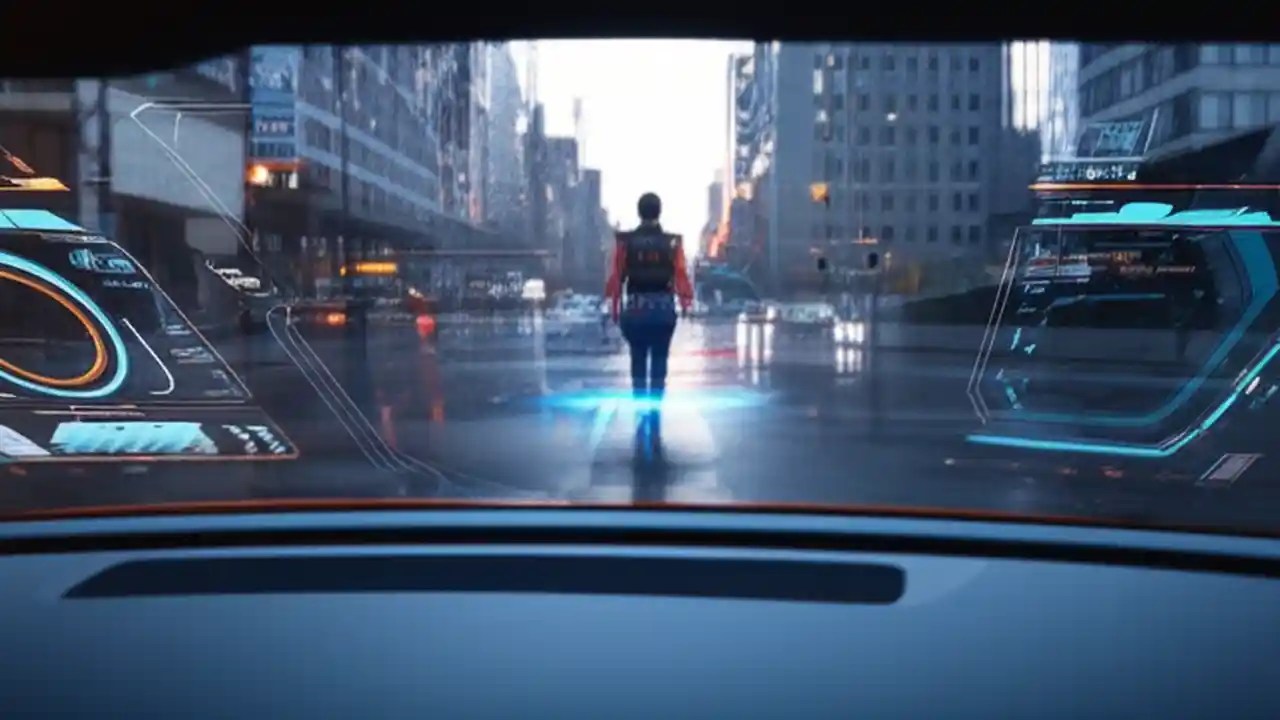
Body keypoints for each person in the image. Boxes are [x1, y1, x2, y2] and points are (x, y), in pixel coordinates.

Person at [604, 192, 694, 402]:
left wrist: (614, 309)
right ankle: (656, 402)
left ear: (639, 212)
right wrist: (686, 303)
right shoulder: (672, 243)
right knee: (660, 360)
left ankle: (639, 401)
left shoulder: (625, 242)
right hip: (663, 310)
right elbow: (681, 275)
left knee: (637, 358)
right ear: (659, 212)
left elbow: (616, 277)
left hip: (636, 309)